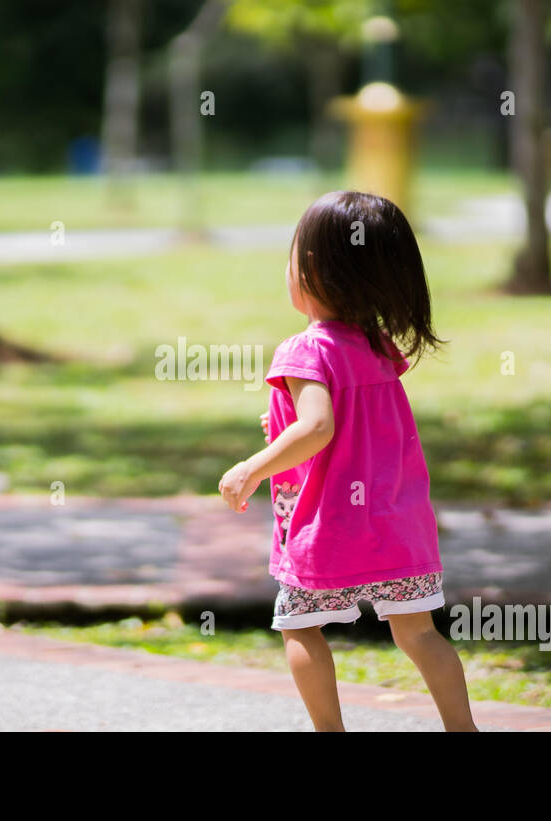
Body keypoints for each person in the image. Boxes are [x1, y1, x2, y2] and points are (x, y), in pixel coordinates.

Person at [218, 190, 479, 732]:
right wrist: (284, 430)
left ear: (312, 269)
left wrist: (254, 465)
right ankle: (463, 729)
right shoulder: (377, 345)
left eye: (291, 255)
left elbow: (318, 427)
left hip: (328, 523)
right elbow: (356, 423)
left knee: (300, 627)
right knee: (420, 632)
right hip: (393, 522)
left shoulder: (304, 350)